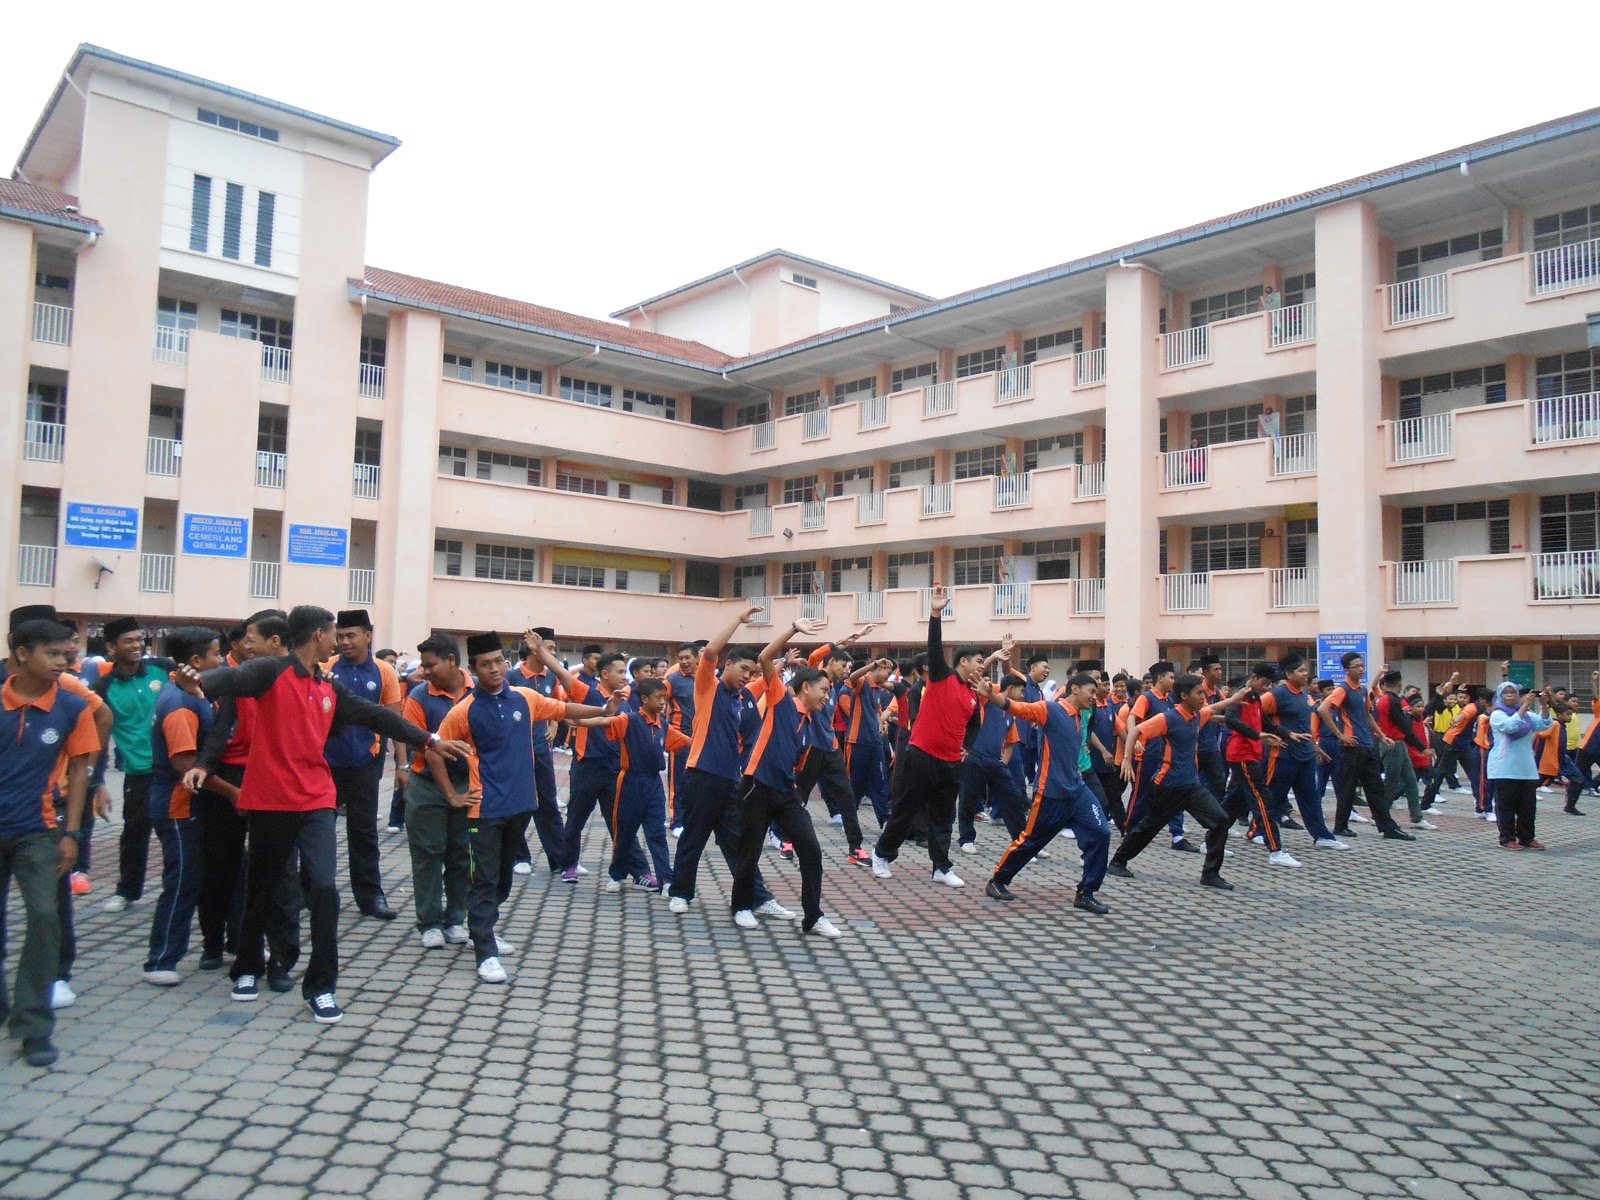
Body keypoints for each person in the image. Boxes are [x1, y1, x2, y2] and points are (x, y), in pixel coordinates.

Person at [177, 605, 469, 1024]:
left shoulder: (327, 684)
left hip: (316, 798)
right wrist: (199, 683)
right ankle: (246, 968)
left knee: (325, 889)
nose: (337, 641)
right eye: (334, 634)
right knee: (261, 887)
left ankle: (321, 987)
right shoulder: (270, 672)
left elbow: (377, 715)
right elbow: (232, 680)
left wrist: (429, 740)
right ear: (318, 635)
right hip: (270, 800)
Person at [427, 632, 612, 984]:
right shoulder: (463, 710)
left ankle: (485, 927)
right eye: (486, 665)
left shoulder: (525, 698)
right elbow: (435, 748)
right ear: (473, 669)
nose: (495, 669)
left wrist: (603, 709)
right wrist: (452, 795)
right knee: (483, 879)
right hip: (485, 810)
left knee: (504, 879)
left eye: (499, 661)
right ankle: (485, 952)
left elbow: (564, 709)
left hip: (521, 805)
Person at [0, 619, 98, 1068]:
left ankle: (34, 1026)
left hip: (37, 832)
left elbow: (80, 770)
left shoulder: (72, 708)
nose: (65, 662)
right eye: (54, 654)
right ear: (21, 654)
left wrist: (72, 834)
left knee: (44, 919)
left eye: (68, 654)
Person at [667, 606, 796, 918]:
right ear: (728, 666)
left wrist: (790, 635)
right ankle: (681, 893)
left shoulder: (747, 696)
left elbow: (768, 665)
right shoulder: (707, 688)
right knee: (693, 838)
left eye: (752, 673)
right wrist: (738, 621)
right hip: (702, 775)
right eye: (743, 670)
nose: (748, 676)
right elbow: (710, 650)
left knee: (739, 844)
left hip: (732, 780)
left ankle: (757, 898)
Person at [870, 584, 988, 888]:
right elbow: (934, 646)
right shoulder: (941, 676)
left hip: (951, 762)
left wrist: (967, 748)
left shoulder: (972, 694)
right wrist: (936, 613)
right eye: (978, 662)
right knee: (906, 810)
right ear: (963, 661)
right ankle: (882, 854)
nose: (982, 668)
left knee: (943, 816)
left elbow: (974, 724)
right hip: (921, 755)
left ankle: (941, 867)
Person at [728, 624, 841, 938]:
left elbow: (797, 764)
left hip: (785, 793)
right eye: (823, 690)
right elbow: (765, 657)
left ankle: (813, 917)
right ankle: (741, 907)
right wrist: (792, 629)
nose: (826, 697)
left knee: (811, 849)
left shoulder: (809, 724)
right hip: (756, 786)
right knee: (749, 850)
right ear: (806, 688)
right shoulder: (780, 700)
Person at [980, 671, 1111, 912]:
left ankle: (1086, 892)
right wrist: (992, 695)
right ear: (1074, 689)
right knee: (1029, 842)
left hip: (1077, 791)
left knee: (1101, 833)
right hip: (1050, 793)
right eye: (1091, 691)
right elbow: (1016, 707)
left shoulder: (1081, 716)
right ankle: (997, 881)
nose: (1095, 696)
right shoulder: (1050, 709)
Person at [1109, 675, 1248, 889]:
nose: (1204, 697)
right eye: (1199, 693)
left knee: (1220, 820)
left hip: (1191, 786)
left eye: (1204, 693)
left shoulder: (1196, 716)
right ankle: (1118, 861)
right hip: (1167, 786)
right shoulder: (1169, 718)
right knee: (1148, 827)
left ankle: (1210, 873)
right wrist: (1127, 759)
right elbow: (1136, 730)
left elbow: (1213, 709)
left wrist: (1232, 700)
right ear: (1184, 696)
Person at [142, 626, 224, 986]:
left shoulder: (193, 693)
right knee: (182, 879)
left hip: (192, 803)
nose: (220, 661)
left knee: (200, 874)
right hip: (178, 804)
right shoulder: (178, 705)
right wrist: (233, 793)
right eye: (216, 654)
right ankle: (162, 958)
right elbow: (185, 766)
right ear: (195, 661)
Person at [323, 610, 405, 921]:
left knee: (364, 833)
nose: (344, 642)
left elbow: (395, 721)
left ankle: (371, 897)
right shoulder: (327, 669)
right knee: (321, 831)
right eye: (339, 636)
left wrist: (402, 764)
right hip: (326, 764)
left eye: (351, 635)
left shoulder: (384, 672)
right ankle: (315, 892)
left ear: (368, 636)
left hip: (366, 763)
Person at [91, 617, 175, 914]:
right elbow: (97, 741)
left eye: (140, 639)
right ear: (111, 648)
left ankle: (177, 888)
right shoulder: (103, 687)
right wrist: (97, 781)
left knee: (177, 834)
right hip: (140, 772)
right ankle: (127, 890)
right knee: (134, 833)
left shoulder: (163, 669)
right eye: (129, 641)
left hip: (176, 767)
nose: (137, 645)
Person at [573, 678, 684, 896]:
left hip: (654, 785)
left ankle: (666, 880)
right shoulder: (629, 720)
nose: (663, 702)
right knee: (624, 833)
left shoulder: (664, 726)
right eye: (658, 697)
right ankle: (617, 874)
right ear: (644, 699)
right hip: (631, 783)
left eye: (665, 698)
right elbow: (602, 723)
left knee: (657, 834)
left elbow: (685, 741)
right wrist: (578, 720)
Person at [400, 635, 474, 949]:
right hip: (427, 786)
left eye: (431, 665)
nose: (426, 671)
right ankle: (429, 922)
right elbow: (422, 744)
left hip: (469, 786)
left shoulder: (478, 692)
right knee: (427, 855)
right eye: (424, 666)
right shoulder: (419, 696)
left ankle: (456, 919)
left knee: (463, 855)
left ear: (452, 661)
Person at [554, 649, 652, 886]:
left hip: (615, 770)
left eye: (625, 672)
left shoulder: (628, 701)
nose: (625, 676)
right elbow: (560, 672)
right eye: (620, 672)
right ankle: (568, 865)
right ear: (605, 674)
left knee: (620, 822)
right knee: (576, 820)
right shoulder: (587, 692)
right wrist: (540, 650)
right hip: (586, 767)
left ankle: (640, 871)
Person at [796, 628, 878, 866]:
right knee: (798, 797)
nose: (845, 671)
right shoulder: (813, 679)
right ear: (831, 662)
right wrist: (839, 641)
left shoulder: (833, 688)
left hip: (831, 751)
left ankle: (856, 848)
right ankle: (785, 837)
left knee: (847, 798)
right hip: (811, 750)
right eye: (842, 666)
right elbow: (813, 657)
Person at [1317, 653, 1413, 842]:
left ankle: (1387, 827)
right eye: (1356, 666)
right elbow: (1323, 709)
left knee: (1375, 788)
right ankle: (1340, 826)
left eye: (1362, 665)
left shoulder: (1362, 690)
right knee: (1348, 788)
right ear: (1346, 670)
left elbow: (1367, 715)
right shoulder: (1342, 689)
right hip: (1351, 747)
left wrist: (1382, 735)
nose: (1361, 669)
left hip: (1367, 744)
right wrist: (1340, 734)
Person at [504, 629, 566, 877]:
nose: (552, 653)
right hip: (515, 751)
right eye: (548, 648)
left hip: (541, 749)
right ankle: (519, 856)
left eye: (553, 648)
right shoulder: (512, 676)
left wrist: (553, 724)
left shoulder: (551, 676)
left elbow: (557, 705)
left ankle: (560, 859)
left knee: (548, 802)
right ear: (533, 649)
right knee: (518, 803)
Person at [1223, 663, 1298, 866]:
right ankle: (1275, 850)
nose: (1266, 688)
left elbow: (1265, 722)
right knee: (1263, 801)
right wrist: (1258, 735)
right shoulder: (1242, 695)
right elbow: (1230, 719)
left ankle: (1211, 841)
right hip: (1242, 754)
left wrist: (1289, 733)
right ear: (1254, 677)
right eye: (1264, 683)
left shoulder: (1255, 697)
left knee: (1234, 803)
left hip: (1252, 753)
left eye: (1269, 685)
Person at [958, 671, 1028, 853]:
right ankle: (966, 839)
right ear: (1010, 689)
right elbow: (977, 683)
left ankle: (1022, 841)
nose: (1022, 696)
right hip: (975, 758)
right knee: (969, 800)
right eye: (1020, 691)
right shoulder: (987, 701)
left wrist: (1002, 763)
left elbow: (1011, 743)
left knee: (1014, 799)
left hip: (995, 763)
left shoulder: (1011, 713)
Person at [1487, 682, 1553, 850]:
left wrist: (1544, 705)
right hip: (1504, 767)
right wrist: (1524, 707)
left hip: (1526, 768)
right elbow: (1510, 726)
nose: (1510, 695)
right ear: (1500, 696)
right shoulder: (1497, 714)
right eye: (1505, 693)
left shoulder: (1528, 715)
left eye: (1513, 692)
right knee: (1506, 806)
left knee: (1528, 808)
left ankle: (1527, 838)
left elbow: (1544, 724)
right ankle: (1507, 838)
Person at [1373, 671, 1436, 831]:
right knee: (1391, 783)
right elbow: (1405, 727)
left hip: (1397, 743)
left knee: (1410, 780)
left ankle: (1417, 817)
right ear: (1400, 685)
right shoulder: (1392, 701)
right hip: (1393, 744)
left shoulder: (1384, 699)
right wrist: (1422, 748)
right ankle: (1380, 815)